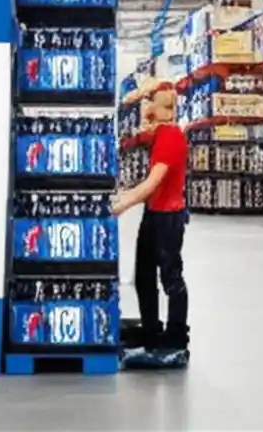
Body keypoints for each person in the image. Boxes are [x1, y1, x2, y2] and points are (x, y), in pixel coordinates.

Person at [112, 83, 190, 366]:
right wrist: (133, 100)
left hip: (168, 216)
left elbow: (151, 184)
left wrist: (123, 204)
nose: (145, 107)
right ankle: (151, 330)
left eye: (150, 103)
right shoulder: (159, 132)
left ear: (163, 108)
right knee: (143, 276)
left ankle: (176, 339)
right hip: (154, 212)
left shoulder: (171, 138)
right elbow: (133, 138)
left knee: (170, 277)